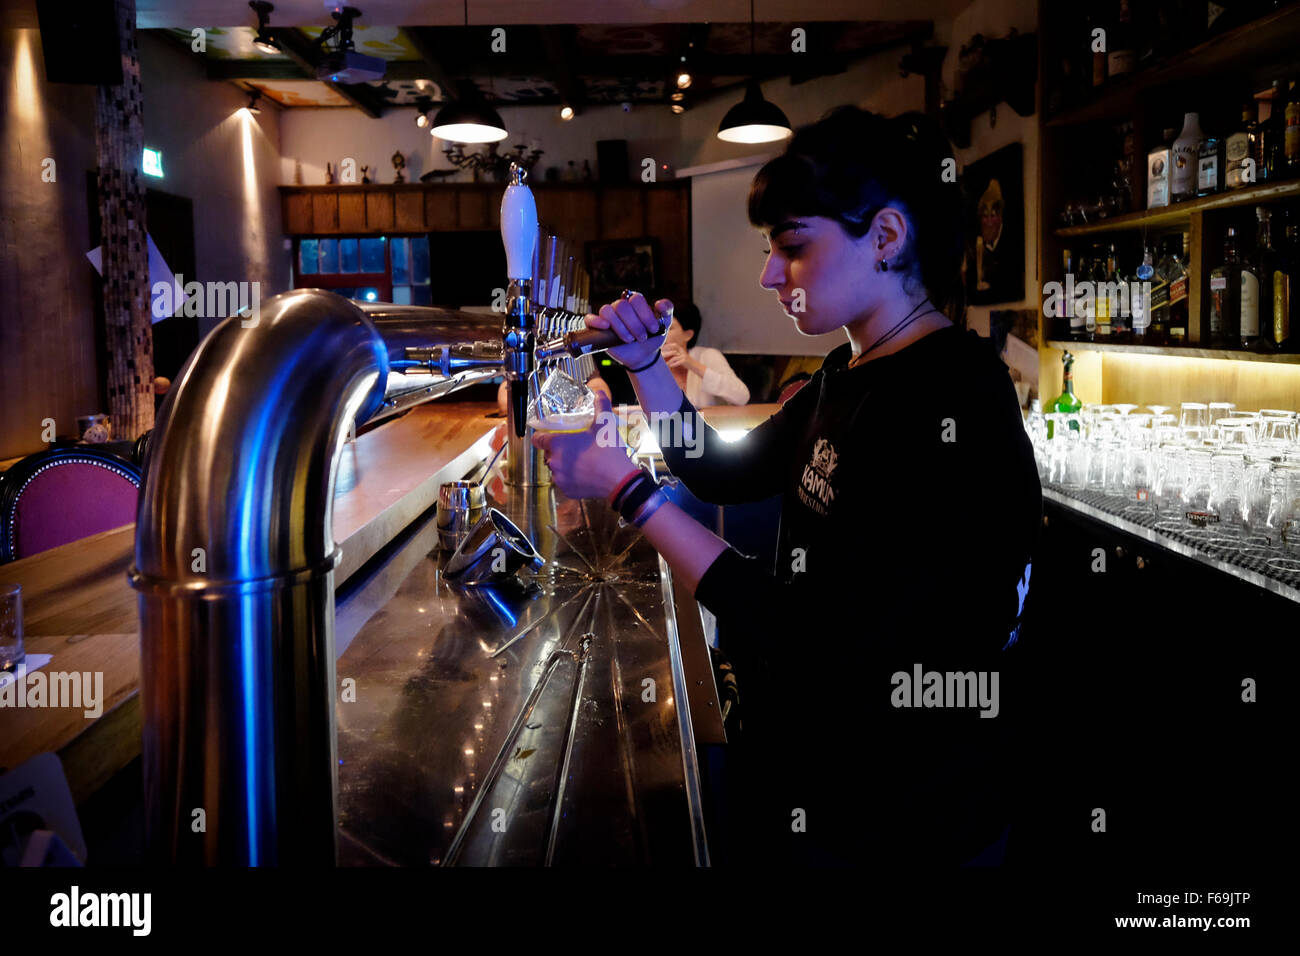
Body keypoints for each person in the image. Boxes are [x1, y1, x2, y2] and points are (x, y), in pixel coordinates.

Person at [532, 106, 1041, 867]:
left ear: (887, 238)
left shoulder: (952, 400)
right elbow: (719, 467)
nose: (770, 273)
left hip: (913, 815)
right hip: (831, 780)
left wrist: (631, 493)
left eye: (793, 247)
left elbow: (816, 637)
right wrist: (642, 363)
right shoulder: (847, 372)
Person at [660, 303, 750, 407]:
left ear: (688, 335)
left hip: (711, 422)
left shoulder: (707, 356)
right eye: (658, 328)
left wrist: (692, 364)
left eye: (668, 328)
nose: (660, 334)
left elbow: (742, 397)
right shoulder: (652, 363)